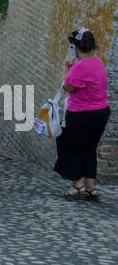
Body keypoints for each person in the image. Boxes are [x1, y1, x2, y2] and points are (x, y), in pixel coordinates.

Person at [56, 29, 111, 202]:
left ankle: (77, 186)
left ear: (75, 46)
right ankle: (90, 189)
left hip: (81, 114)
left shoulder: (79, 67)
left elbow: (67, 87)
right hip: (101, 113)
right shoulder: (97, 62)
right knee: (89, 149)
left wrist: (66, 66)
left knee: (67, 146)